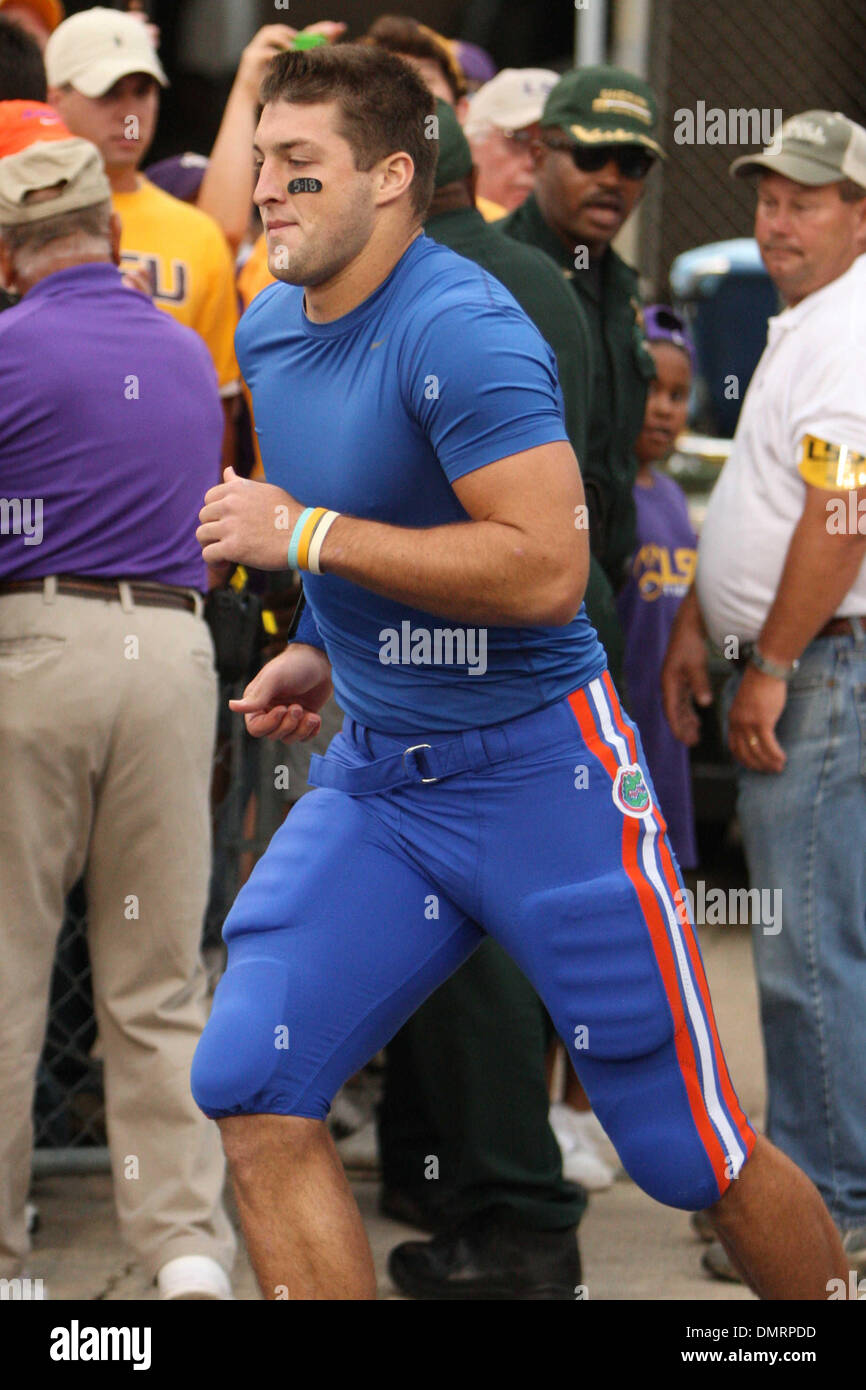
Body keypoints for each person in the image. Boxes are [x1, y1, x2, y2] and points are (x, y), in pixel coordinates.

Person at [188, 42, 846, 1302]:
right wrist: (324, 642)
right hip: (381, 780)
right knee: (250, 1086)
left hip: (545, 773)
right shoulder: (272, 323)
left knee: (684, 1147)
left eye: (296, 164)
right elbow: (366, 509)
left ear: (390, 178)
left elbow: (544, 566)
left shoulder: (464, 325)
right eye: (262, 159)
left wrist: (304, 539)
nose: (263, 188)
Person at [0, 131, 235, 1298]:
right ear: (111, 231)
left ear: (9, 254)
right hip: (173, 652)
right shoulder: (186, 355)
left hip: (36, 646)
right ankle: (182, 1243)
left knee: (7, 967)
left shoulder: (6, 350)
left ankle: (4, 1258)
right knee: (157, 976)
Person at [378, 98, 595, 1294]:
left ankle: (515, 1212)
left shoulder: (445, 294)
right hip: (524, 640)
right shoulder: (543, 279)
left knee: (482, 950)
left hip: (486, 655)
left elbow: (518, 524)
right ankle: (470, 1190)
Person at [663, 110, 866, 1285]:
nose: (774, 218)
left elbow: (842, 516)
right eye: (765, 196)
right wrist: (702, 618)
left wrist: (773, 660)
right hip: (809, 658)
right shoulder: (810, 324)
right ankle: (823, 1193)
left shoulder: (848, 330)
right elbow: (771, 497)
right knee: (816, 942)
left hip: (823, 667)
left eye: (802, 199)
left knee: (801, 951)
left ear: (856, 210)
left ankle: (826, 1214)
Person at [498, 66, 662, 615]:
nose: (613, 179)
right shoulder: (488, 274)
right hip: (518, 601)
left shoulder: (622, 287)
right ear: (540, 153)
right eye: (592, 157)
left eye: (633, 163)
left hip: (605, 593)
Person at [44, 7, 241, 446]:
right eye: (108, 92)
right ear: (56, 99)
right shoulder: (22, 218)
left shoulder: (198, 233)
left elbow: (219, 404)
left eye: (143, 90)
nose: (129, 112)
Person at [617, 305, 698, 869]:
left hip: (666, 748)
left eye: (679, 395)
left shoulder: (672, 499)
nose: (665, 409)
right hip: (615, 752)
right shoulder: (604, 498)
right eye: (652, 389)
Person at [462, 67, 557, 213]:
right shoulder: (432, 230)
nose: (533, 162)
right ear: (471, 144)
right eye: (518, 138)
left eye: (553, 145)